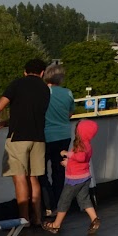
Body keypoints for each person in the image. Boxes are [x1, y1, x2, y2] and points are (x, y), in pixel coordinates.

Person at [0, 58, 50, 226]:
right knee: (33, 178)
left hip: (18, 138)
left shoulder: (17, 84)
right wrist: (7, 122)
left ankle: (23, 220)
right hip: (38, 138)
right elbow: (30, 113)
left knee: (19, 178)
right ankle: (37, 218)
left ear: (25, 72)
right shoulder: (45, 89)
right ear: (42, 73)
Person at [44, 119, 100, 235]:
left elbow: (80, 157)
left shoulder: (81, 146)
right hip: (85, 177)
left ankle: (56, 225)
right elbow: (81, 161)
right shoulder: (88, 145)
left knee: (64, 201)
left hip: (74, 180)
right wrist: (69, 163)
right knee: (84, 199)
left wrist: (67, 154)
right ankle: (94, 219)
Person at [43, 65, 76, 211]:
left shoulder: (44, 92)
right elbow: (70, 113)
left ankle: (48, 203)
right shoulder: (68, 93)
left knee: (41, 172)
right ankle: (59, 203)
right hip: (64, 135)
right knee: (59, 170)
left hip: (46, 135)